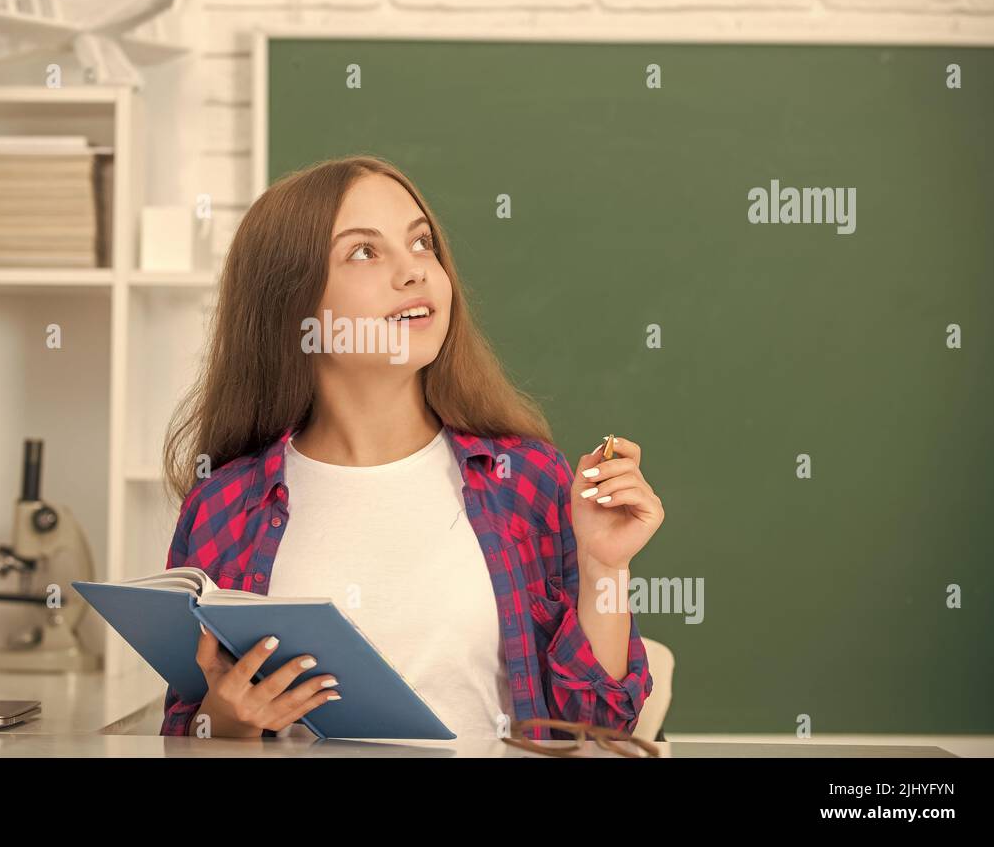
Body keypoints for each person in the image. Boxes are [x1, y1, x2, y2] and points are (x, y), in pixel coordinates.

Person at [159, 155, 664, 742]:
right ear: (291, 303)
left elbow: (596, 731)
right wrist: (222, 723)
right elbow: (185, 728)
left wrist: (605, 567)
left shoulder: (523, 478)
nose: (415, 271)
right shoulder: (224, 505)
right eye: (365, 252)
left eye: (422, 243)